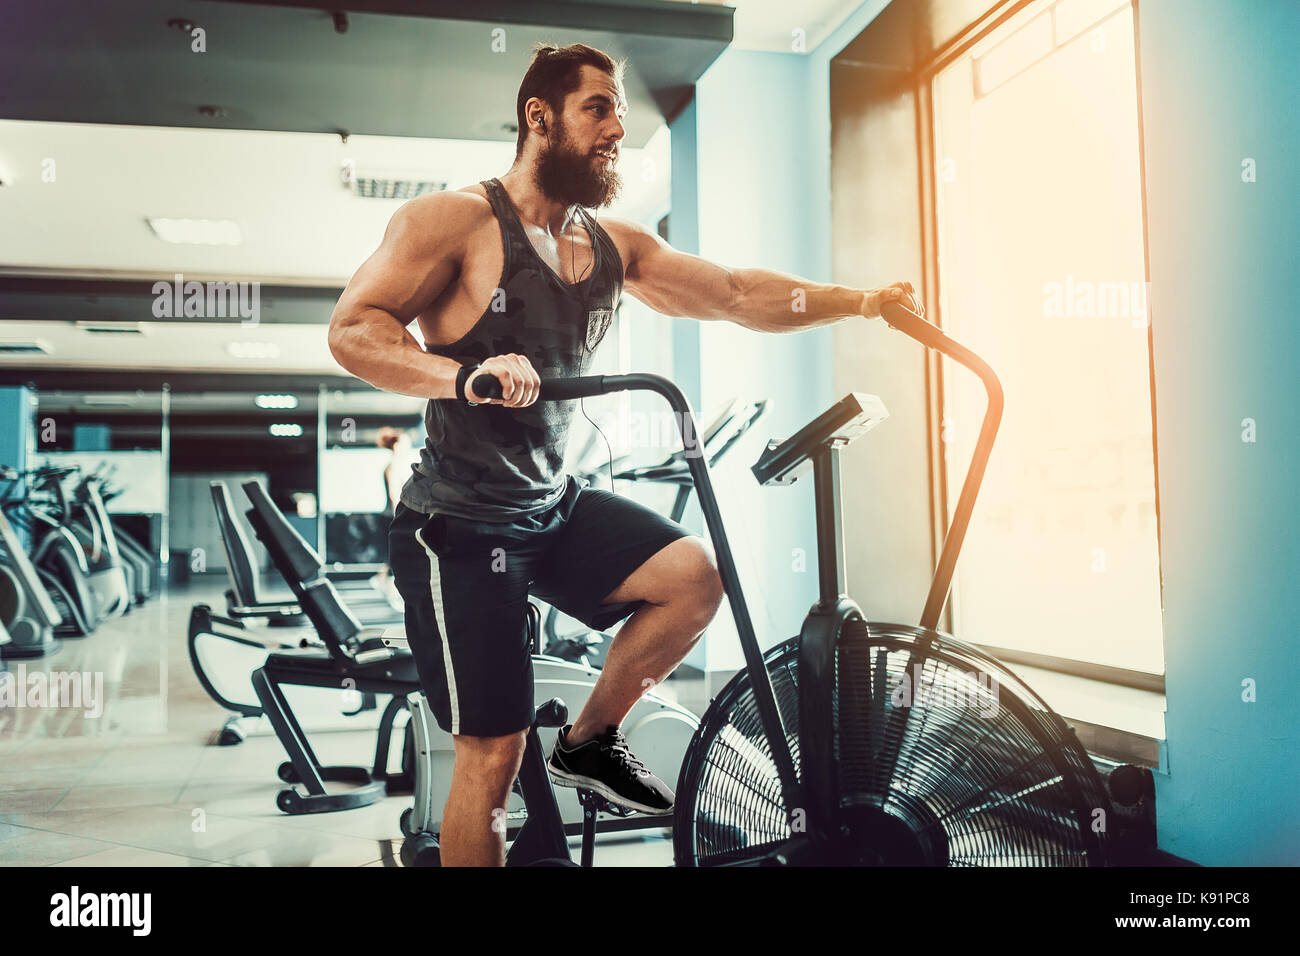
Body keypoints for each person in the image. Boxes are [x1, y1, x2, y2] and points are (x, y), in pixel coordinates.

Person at [328, 42, 924, 866]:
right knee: (491, 755)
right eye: (598, 109)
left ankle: (590, 739)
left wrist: (859, 301)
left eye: (620, 113)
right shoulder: (452, 220)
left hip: (550, 504)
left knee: (692, 578)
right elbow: (355, 331)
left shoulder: (613, 246)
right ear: (540, 117)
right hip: (458, 528)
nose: (617, 129)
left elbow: (740, 294)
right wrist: (464, 376)